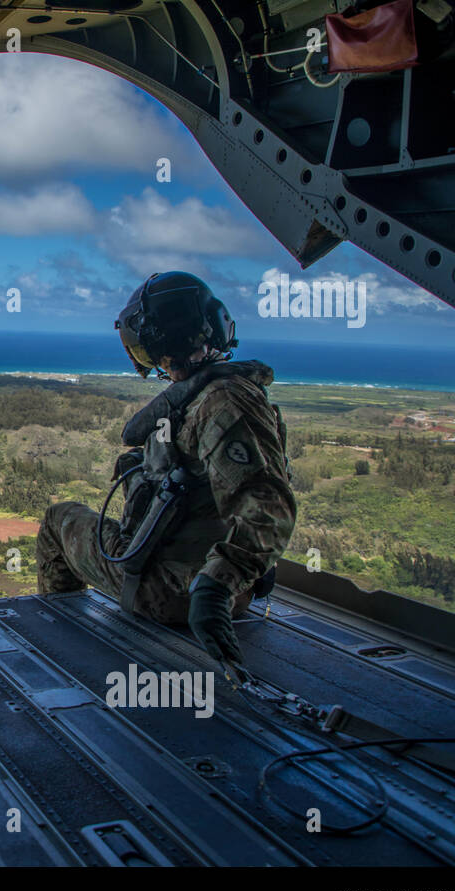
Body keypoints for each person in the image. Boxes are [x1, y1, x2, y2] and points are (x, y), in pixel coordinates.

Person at [36, 271, 296, 676]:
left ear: (163, 343)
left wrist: (212, 591)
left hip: (172, 591)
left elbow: (270, 509)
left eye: (144, 348)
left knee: (58, 520)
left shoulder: (222, 403)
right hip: (223, 593)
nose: (149, 360)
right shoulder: (215, 394)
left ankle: (58, 643)